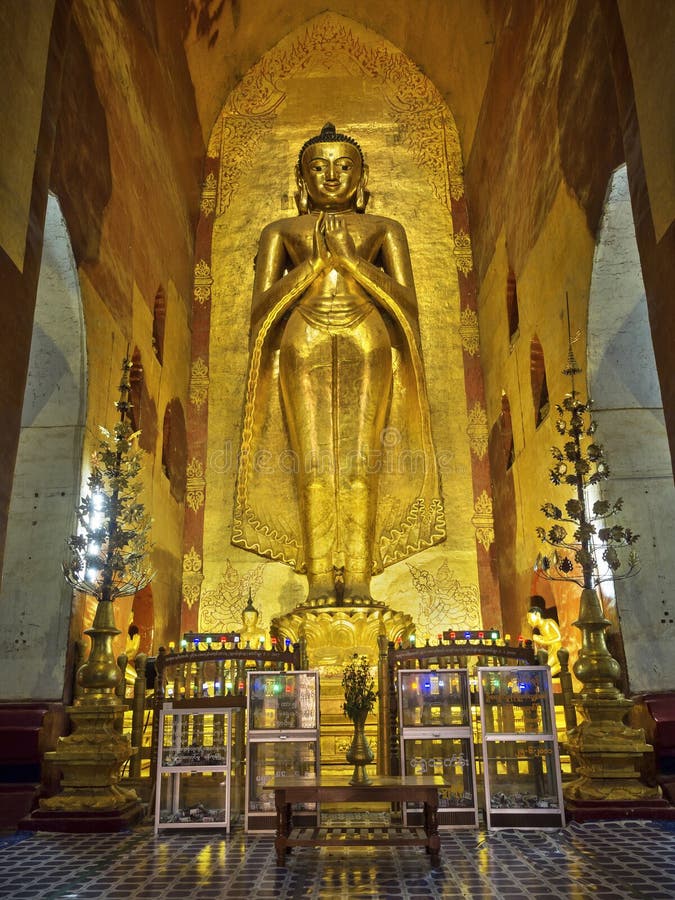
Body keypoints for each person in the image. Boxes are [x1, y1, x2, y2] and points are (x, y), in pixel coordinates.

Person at [233, 123, 444, 606]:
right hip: (302, 339)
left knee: (359, 464)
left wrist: (351, 261)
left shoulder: (384, 230)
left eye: (344, 166)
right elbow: (259, 313)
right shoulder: (281, 232)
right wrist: (309, 267)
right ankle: (319, 584)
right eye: (318, 167)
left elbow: (408, 306)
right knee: (311, 464)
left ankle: (362, 581)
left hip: (365, 337)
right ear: (301, 179)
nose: (331, 176)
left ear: (362, 176)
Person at [527, 606, 562, 675]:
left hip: (556, 649)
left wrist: (542, 640)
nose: (529, 622)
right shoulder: (540, 629)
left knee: (545, 669)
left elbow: (559, 637)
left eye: (530, 618)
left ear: (537, 615)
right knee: (545, 672)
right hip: (550, 650)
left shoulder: (549, 622)